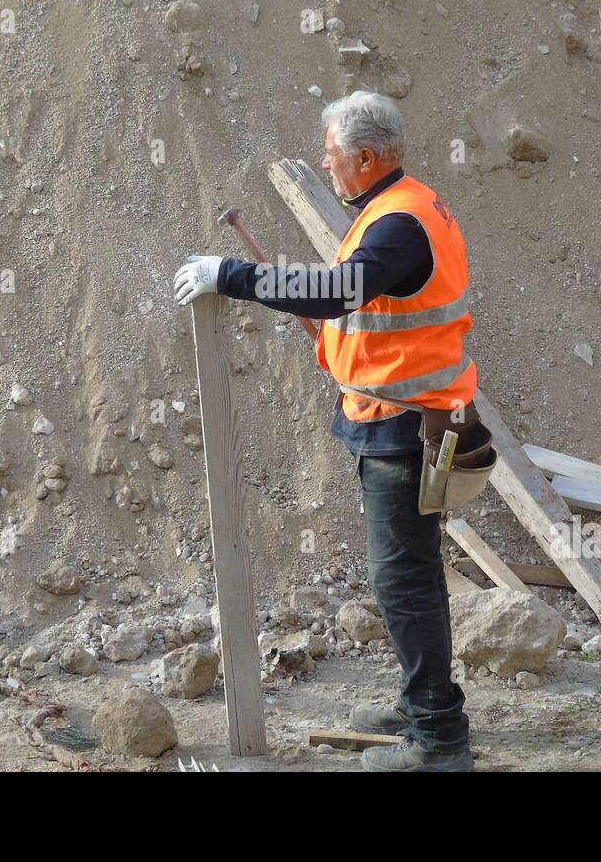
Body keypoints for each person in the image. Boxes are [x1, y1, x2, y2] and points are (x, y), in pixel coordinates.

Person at [174, 90, 486, 771]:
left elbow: (335, 290)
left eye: (333, 153)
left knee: (403, 579)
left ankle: (439, 738)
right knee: (409, 574)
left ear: (368, 157)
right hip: (401, 417)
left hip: (407, 428)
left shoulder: (399, 224)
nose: (325, 162)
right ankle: (422, 703)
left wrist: (229, 274)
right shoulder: (401, 206)